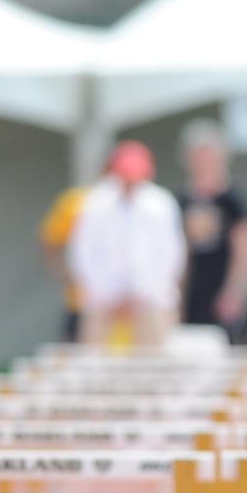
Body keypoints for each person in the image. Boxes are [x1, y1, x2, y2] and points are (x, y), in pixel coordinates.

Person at [64, 141, 185, 349]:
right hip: (103, 296)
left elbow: (170, 256)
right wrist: (109, 292)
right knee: (93, 350)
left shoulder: (161, 204)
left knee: (154, 350)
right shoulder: (95, 203)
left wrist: (142, 292)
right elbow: (83, 254)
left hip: (150, 296)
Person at [177, 120, 247, 334]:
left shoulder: (233, 199)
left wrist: (235, 290)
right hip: (192, 293)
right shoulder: (183, 199)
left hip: (223, 293)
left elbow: (246, 248)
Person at [37, 182, 90, 341]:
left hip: (137, 305)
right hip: (82, 303)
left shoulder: (152, 204)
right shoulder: (79, 203)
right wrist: (65, 277)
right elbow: (49, 242)